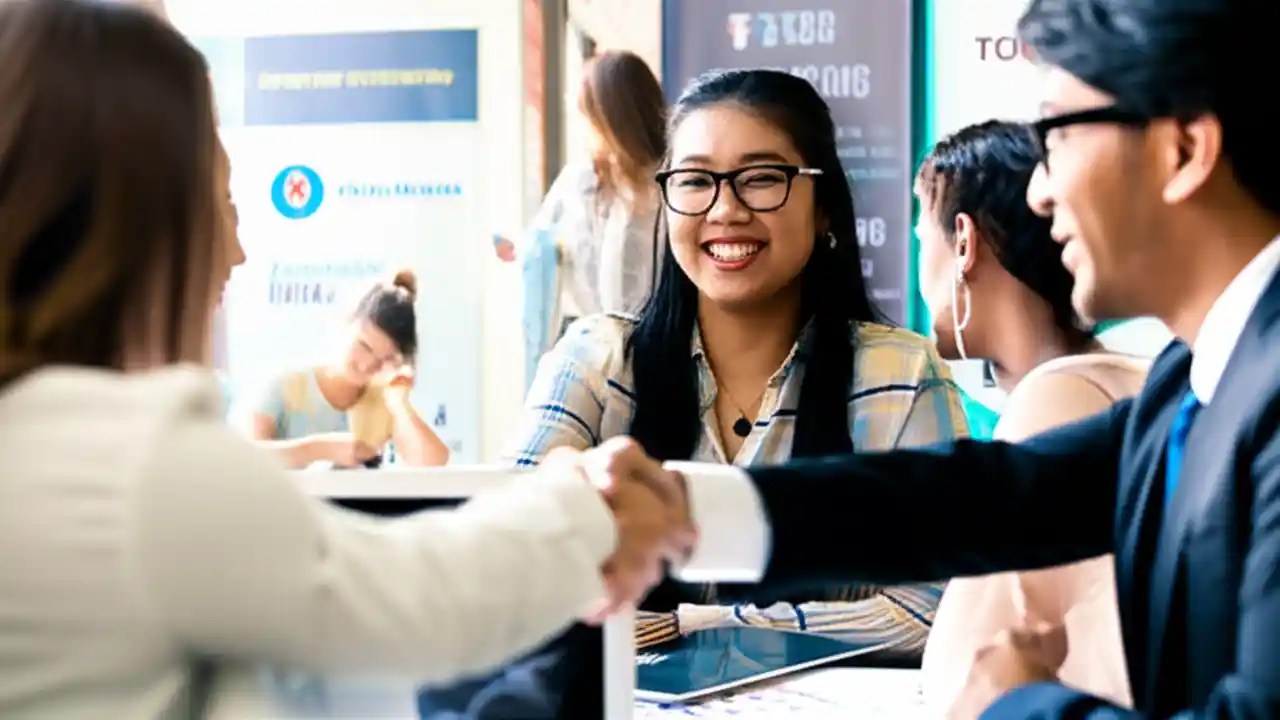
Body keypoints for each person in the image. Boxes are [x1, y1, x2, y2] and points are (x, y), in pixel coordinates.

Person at [582, 0, 1280, 717]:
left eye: (1057, 139)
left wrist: (1016, 705)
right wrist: (686, 512)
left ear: (1184, 151)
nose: (1040, 192)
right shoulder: (1192, 378)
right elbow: (989, 496)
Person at [0, 1, 683, 716]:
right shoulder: (132, 472)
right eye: (223, 203)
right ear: (136, 223)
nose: (236, 253)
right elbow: (416, 602)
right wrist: (586, 515)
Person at [423, 68, 969, 719]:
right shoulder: (598, 362)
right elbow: (496, 551)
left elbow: (930, 612)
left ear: (823, 206)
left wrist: (692, 620)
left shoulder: (897, 373)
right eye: (695, 181)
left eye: (762, 178)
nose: (724, 209)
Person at [912, 119, 1148, 713]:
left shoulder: (1058, 397)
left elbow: (958, 680)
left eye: (922, 236)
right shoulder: (1126, 378)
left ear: (962, 242)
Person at [497, 50, 667, 387]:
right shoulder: (581, 183)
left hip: (665, 359)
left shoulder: (674, 181)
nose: (582, 128)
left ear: (610, 120)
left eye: (585, 116)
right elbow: (541, 243)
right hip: (596, 365)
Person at [244, 269, 451, 468]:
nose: (367, 365)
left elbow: (433, 463)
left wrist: (400, 403)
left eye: (385, 358)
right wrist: (321, 450)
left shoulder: (383, 401)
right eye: (364, 346)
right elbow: (248, 458)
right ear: (344, 324)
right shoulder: (286, 384)